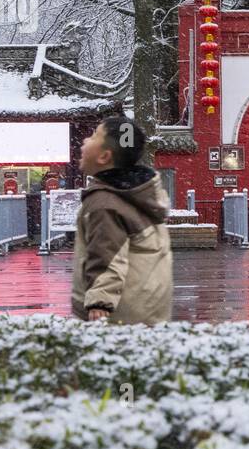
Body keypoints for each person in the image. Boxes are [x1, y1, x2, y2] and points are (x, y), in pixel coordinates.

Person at [71, 116, 173, 324]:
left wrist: (99, 302)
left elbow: (106, 253)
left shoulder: (104, 202)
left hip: (116, 318)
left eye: (93, 136)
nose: (84, 142)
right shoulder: (139, 196)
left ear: (104, 157)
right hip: (147, 312)